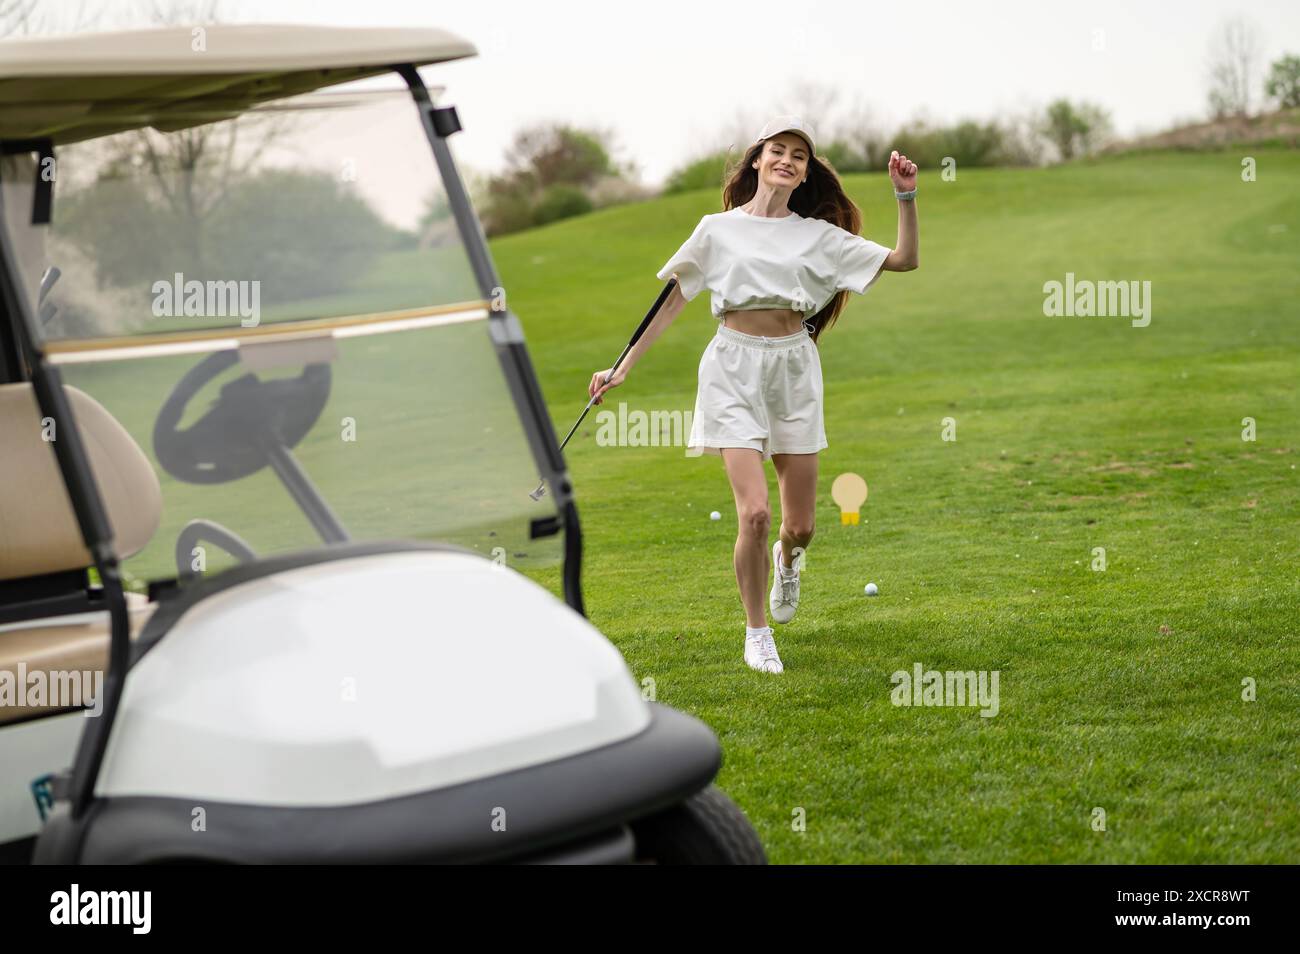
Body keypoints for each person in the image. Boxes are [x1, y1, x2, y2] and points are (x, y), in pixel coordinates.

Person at [589, 115, 919, 673]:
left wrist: (905, 197)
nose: (787, 160)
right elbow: (672, 300)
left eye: (799, 156)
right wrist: (621, 366)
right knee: (757, 512)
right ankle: (757, 633)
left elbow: (904, 259)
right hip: (731, 368)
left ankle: (787, 563)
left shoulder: (818, 236)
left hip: (793, 370)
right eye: (778, 151)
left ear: (805, 173)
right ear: (758, 161)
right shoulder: (716, 230)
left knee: (800, 527)